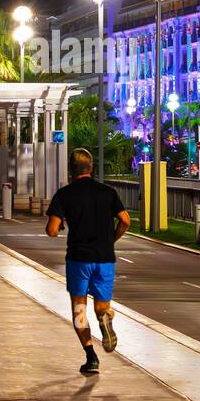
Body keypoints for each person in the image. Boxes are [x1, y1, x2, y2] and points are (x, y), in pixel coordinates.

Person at [45, 148, 130, 375]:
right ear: (91, 168)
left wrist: (62, 224)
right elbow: (125, 220)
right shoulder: (107, 192)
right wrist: (111, 239)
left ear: (71, 170)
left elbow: (52, 230)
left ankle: (91, 358)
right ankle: (105, 317)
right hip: (104, 259)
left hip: (79, 259)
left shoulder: (64, 194)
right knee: (101, 305)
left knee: (79, 310)